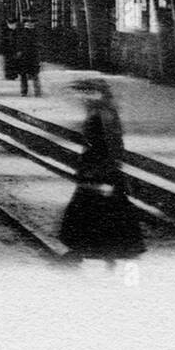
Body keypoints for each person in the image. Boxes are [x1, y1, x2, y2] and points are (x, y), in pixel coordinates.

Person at [57, 79, 144, 265]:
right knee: (101, 209)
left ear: (98, 94)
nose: (84, 98)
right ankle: (99, 253)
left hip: (100, 169)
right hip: (98, 168)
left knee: (94, 209)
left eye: (88, 94)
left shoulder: (104, 114)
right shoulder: (101, 111)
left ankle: (90, 251)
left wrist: (102, 167)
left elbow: (110, 145)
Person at [14, 16, 41, 97]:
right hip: (31, 56)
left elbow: (18, 44)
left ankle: (24, 91)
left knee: (25, 75)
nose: (29, 24)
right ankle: (36, 91)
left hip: (26, 56)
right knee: (33, 75)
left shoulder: (22, 33)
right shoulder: (35, 33)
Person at [0, 17, 19, 82]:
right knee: (9, 62)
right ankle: (9, 75)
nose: (14, 26)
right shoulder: (7, 31)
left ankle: (13, 74)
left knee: (13, 62)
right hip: (8, 49)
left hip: (13, 49)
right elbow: (4, 40)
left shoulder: (15, 31)